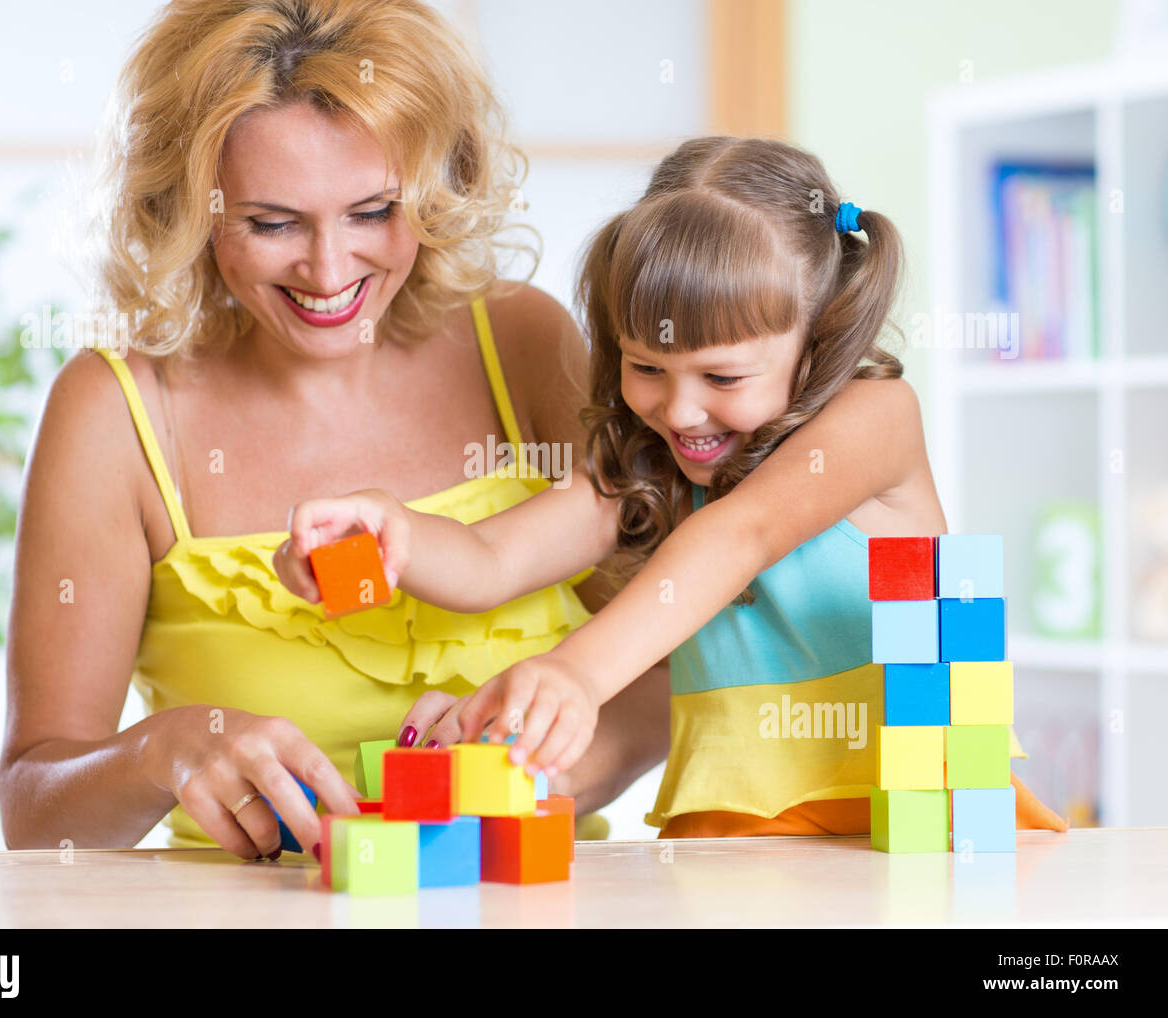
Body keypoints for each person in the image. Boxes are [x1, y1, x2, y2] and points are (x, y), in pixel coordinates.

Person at [0, 0, 672, 861]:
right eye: (272, 223)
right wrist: (160, 750)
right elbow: (33, 809)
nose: (329, 270)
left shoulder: (524, 343)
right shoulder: (114, 412)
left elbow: (664, 668)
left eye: (374, 211)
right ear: (191, 211)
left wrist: (531, 771)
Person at [277, 136, 1070, 838]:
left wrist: (578, 672)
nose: (679, 409)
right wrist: (395, 535)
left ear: (817, 337)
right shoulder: (649, 463)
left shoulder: (875, 418)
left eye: (722, 375)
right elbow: (492, 558)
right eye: (646, 367)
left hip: (925, 822)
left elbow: (740, 535)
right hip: (734, 833)